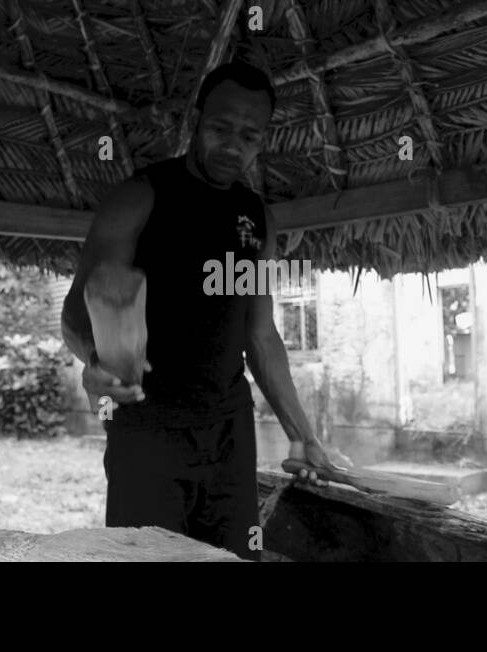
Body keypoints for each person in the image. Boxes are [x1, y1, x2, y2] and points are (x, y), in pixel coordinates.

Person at [61, 61, 343, 561]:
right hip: (147, 430)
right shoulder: (141, 196)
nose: (233, 145)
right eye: (220, 128)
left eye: (250, 135)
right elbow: (78, 308)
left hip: (229, 432)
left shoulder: (257, 218)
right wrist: (94, 359)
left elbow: (261, 335)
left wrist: (304, 436)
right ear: (197, 119)